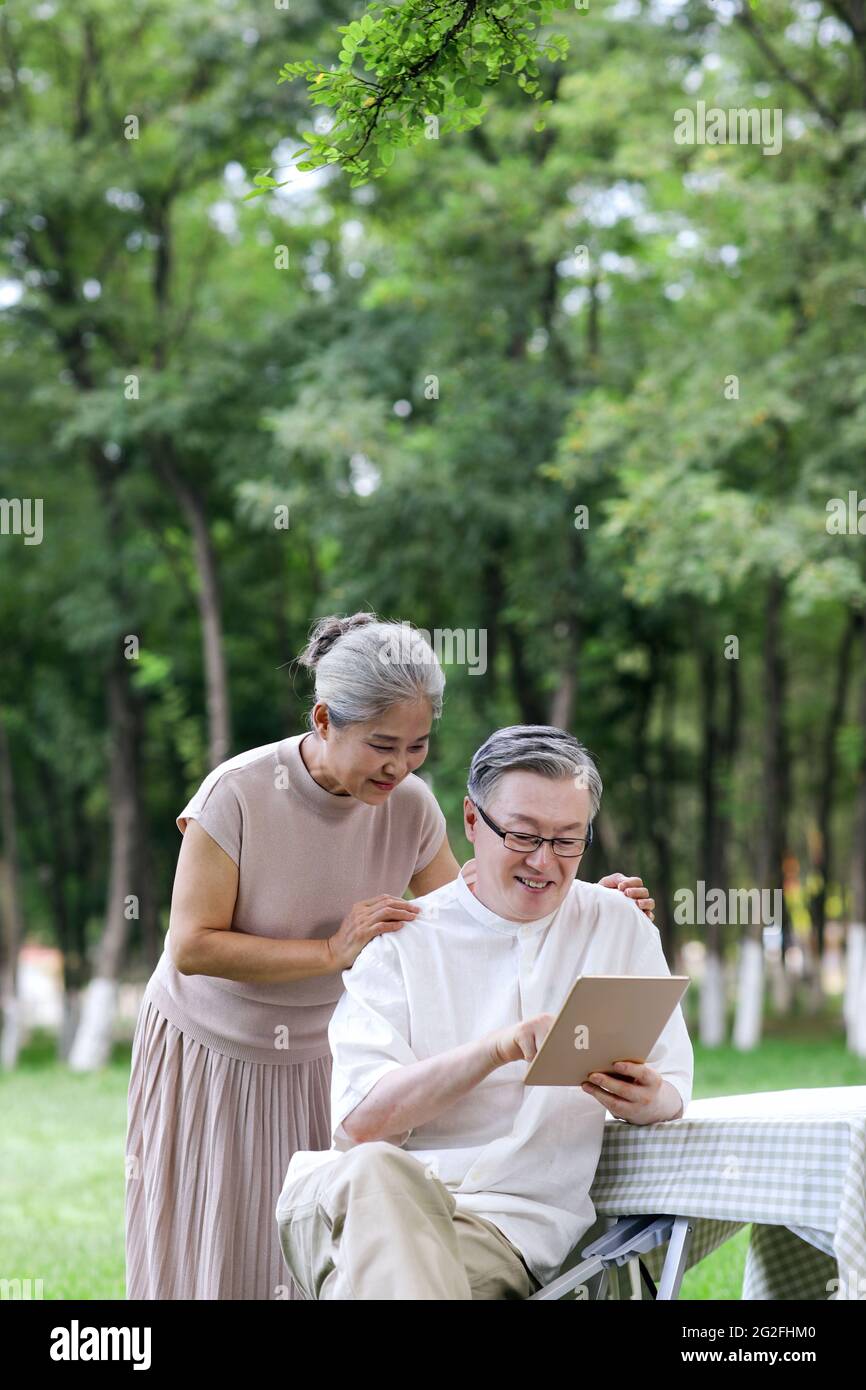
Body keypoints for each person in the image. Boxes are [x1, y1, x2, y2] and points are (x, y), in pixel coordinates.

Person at [125, 612, 655, 1299]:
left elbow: (467, 908)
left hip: (322, 1054)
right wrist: (329, 950)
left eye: (418, 745)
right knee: (213, 1245)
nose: (400, 766)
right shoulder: (240, 792)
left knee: (313, 1260)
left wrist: (583, 895)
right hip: (215, 1049)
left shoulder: (409, 804)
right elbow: (191, 946)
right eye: (382, 745)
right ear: (323, 719)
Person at [276, 724, 693, 1300]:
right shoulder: (402, 942)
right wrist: (497, 1049)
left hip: (503, 1230)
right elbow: (360, 1125)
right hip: (353, 1203)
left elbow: (673, 1088)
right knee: (376, 1168)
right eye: (523, 836)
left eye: (569, 840)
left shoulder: (617, 927)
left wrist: (648, 1100)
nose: (545, 862)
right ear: (472, 822)